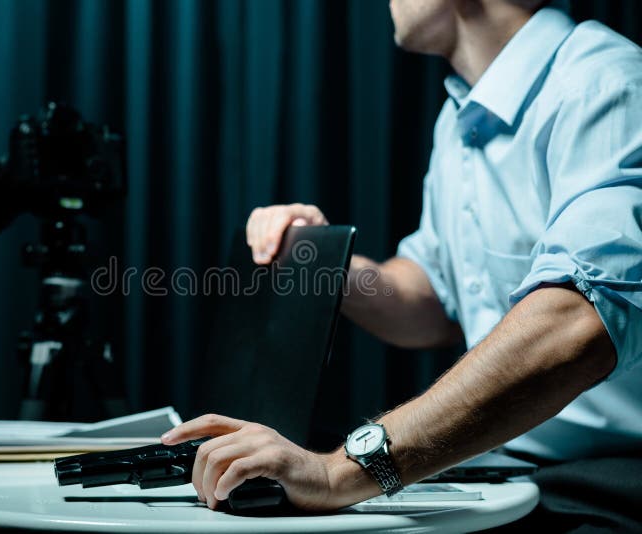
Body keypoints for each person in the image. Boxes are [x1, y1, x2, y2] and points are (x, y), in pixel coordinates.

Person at [161, 0, 642, 529]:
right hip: (507, 469)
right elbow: (431, 301)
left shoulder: (607, 84)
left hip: (609, 484)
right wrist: (320, 262)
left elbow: (578, 323)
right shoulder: (459, 119)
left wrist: (340, 473)